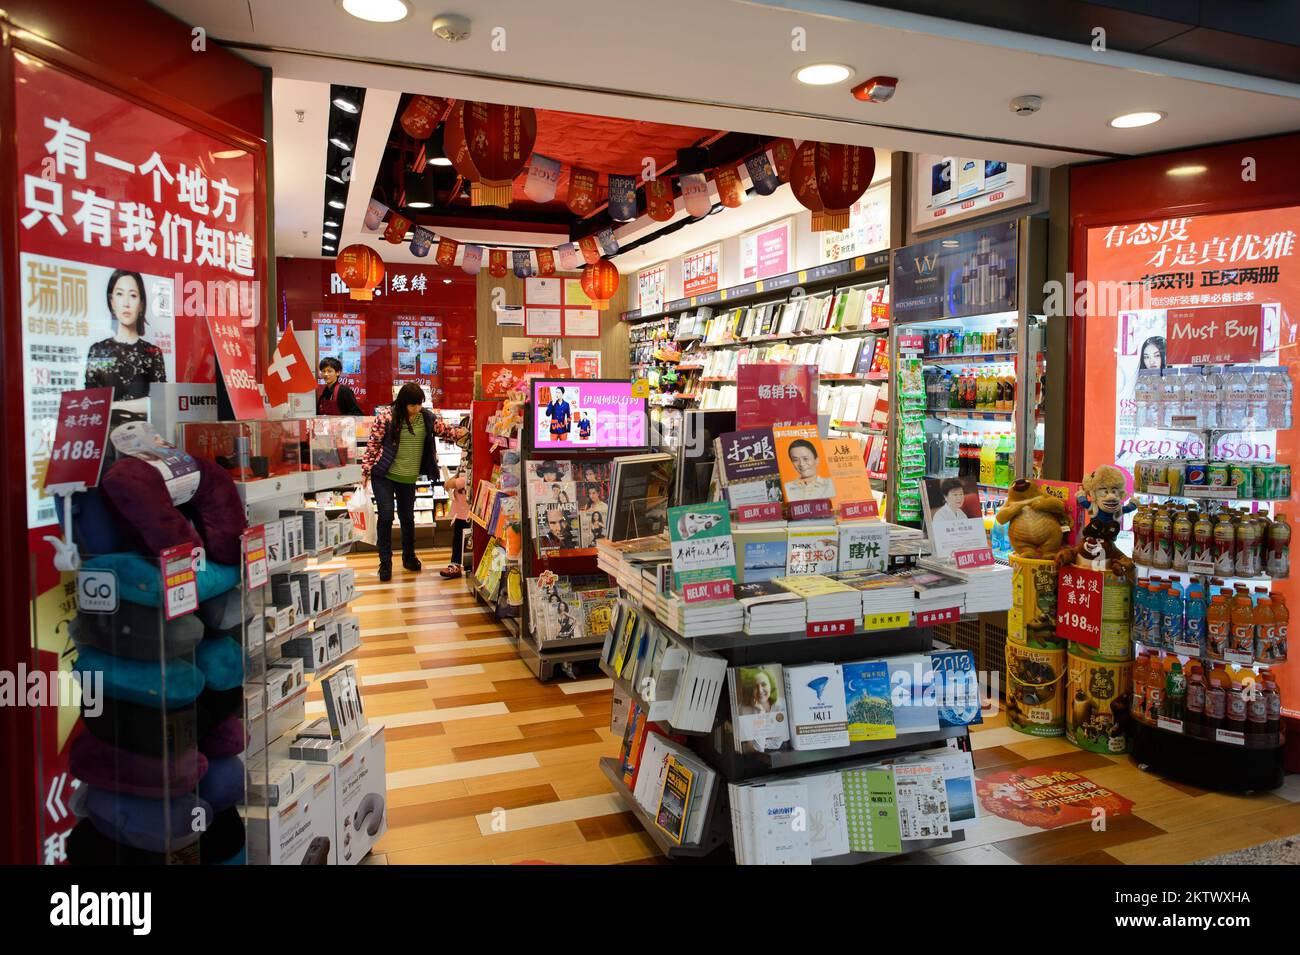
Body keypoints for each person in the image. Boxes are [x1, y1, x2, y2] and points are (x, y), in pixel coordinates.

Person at [360, 383, 466, 581]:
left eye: (419, 405)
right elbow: (373, 444)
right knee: (385, 516)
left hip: (408, 477)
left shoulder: (426, 417)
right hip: (383, 474)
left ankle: (409, 558)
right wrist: (366, 471)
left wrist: (465, 433)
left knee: (407, 518)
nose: (416, 409)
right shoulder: (386, 417)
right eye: (412, 405)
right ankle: (385, 563)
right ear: (402, 403)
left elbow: (446, 431)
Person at [85, 270, 167, 401]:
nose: (126, 303)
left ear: (141, 305)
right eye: (119, 294)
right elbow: (91, 402)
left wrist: (113, 406)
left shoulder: (152, 353)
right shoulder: (98, 351)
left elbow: (159, 403)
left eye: (133, 295)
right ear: (112, 302)